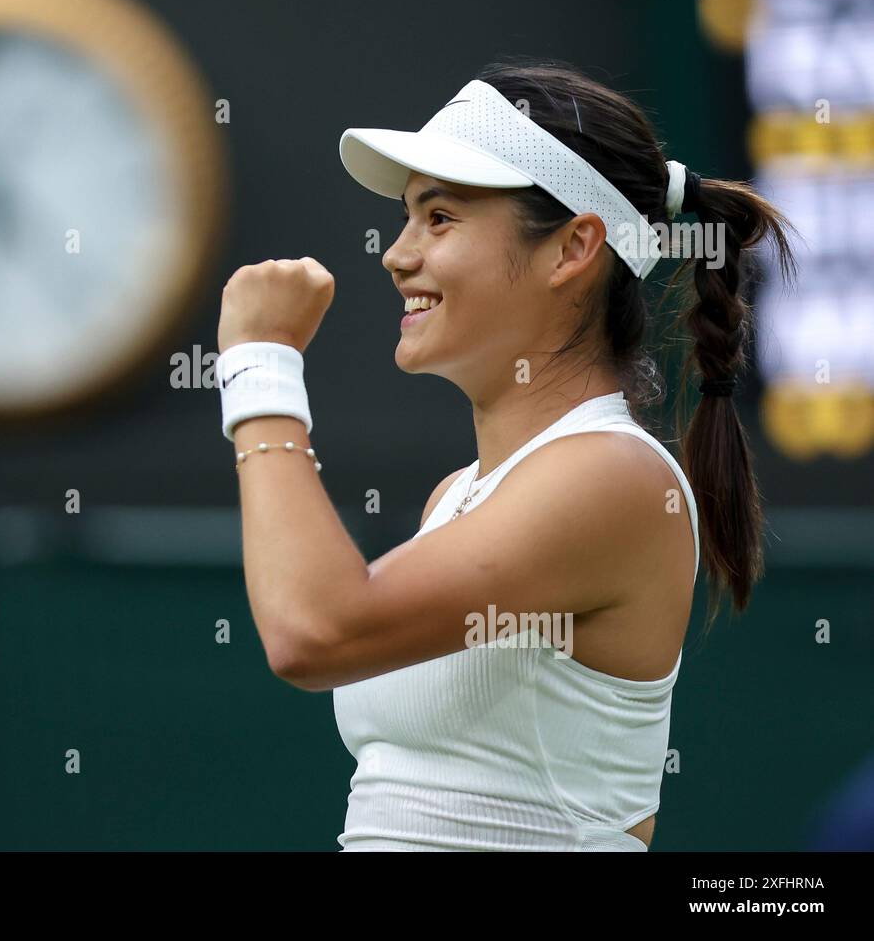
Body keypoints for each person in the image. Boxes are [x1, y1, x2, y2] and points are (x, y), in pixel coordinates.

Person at [215, 61, 798, 851]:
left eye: (441, 217)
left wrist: (261, 364)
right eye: (406, 217)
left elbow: (314, 630)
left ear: (572, 249)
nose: (396, 254)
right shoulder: (457, 495)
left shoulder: (612, 476)